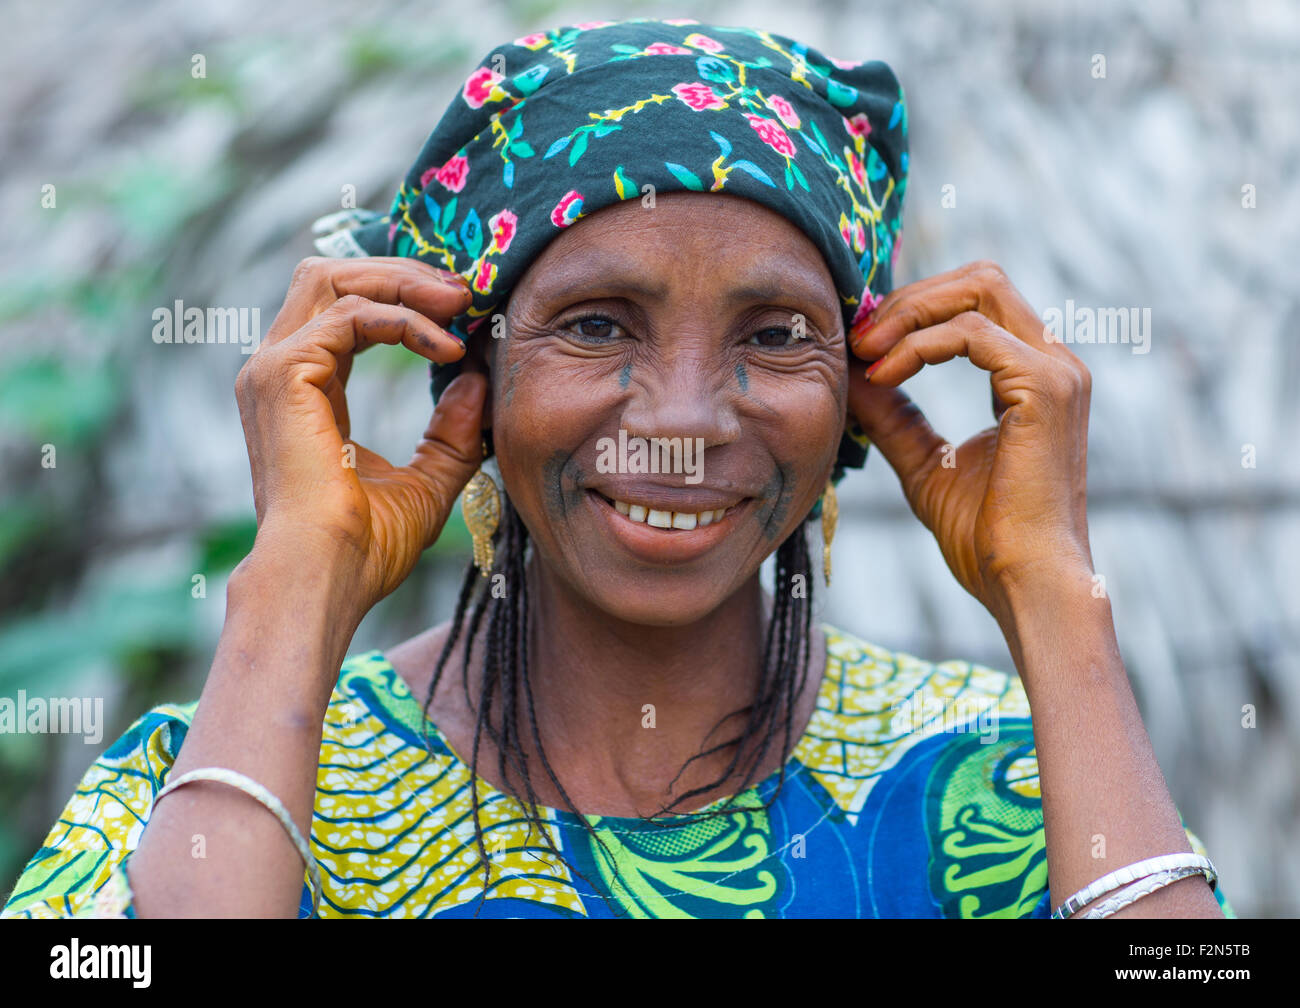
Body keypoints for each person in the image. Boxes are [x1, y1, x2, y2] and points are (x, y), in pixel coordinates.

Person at [3, 16, 1230, 919]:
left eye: (774, 334)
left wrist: (1056, 596)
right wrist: (289, 589)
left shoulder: (1005, 775)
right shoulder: (211, 786)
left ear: (853, 390)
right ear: (469, 374)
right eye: (595, 324)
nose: (685, 418)